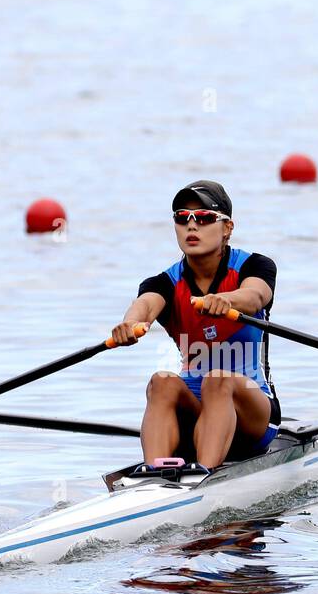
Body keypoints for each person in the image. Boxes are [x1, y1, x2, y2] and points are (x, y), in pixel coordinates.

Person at [111, 180, 279, 474]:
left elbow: (255, 296)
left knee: (217, 380)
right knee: (161, 381)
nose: (192, 226)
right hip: (195, 409)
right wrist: (130, 323)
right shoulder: (164, 283)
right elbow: (145, 305)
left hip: (252, 411)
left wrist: (226, 300)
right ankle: (154, 479)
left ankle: (203, 477)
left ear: (227, 228)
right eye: (182, 218)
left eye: (203, 218)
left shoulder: (255, 266)